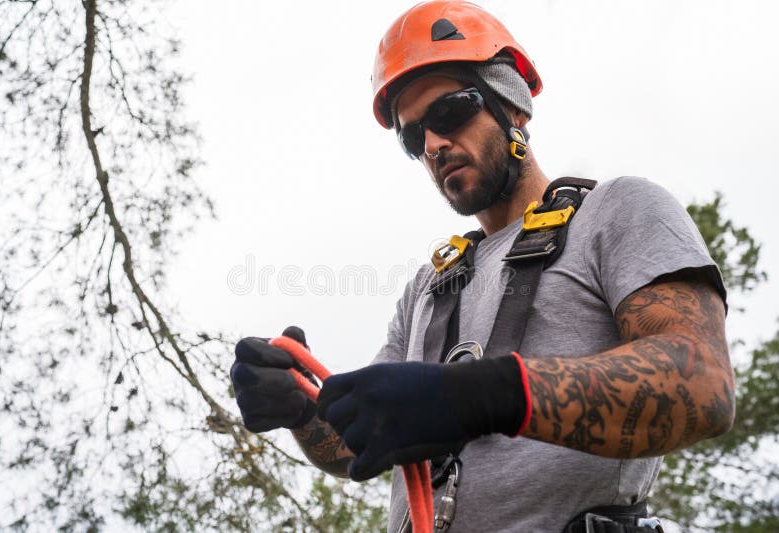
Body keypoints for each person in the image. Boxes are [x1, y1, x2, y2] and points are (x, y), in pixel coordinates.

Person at [230, 1, 735, 531]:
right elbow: (354, 443)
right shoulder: (429, 287)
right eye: (412, 136)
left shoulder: (617, 212)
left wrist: (486, 396)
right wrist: (303, 410)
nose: (432, 145)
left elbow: (701, 381)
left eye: (449, 112)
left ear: (511, 103)